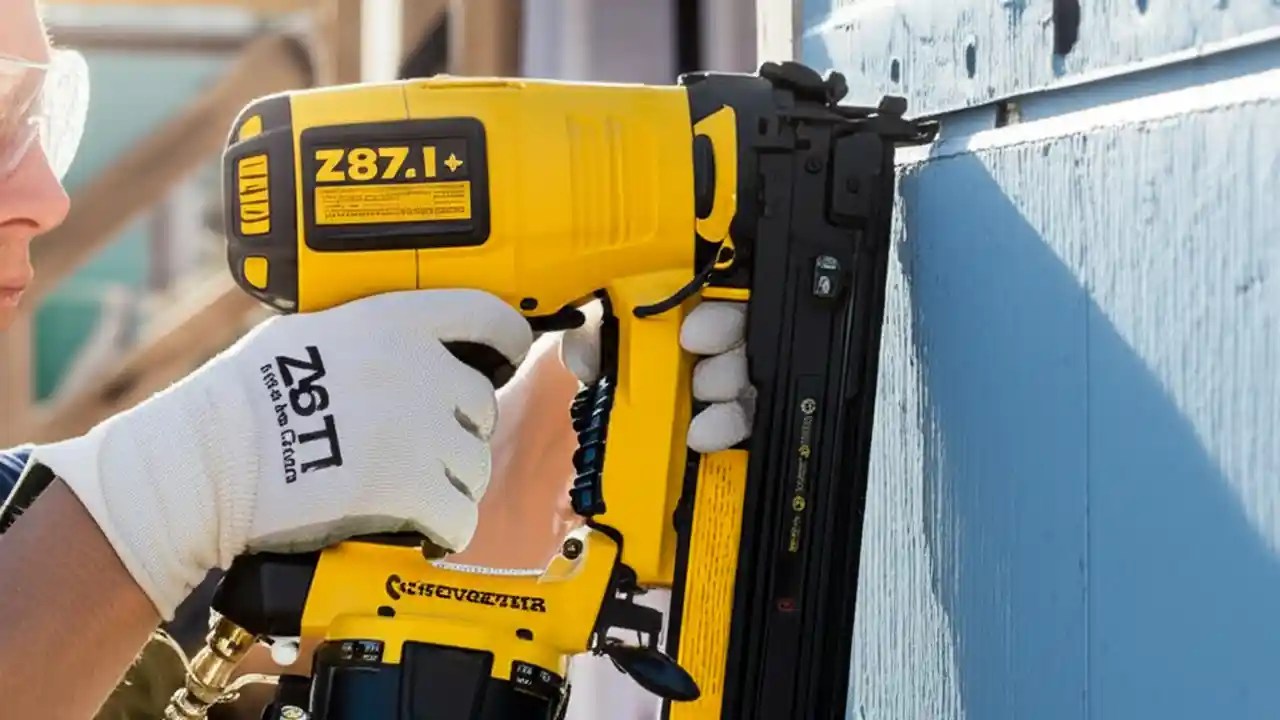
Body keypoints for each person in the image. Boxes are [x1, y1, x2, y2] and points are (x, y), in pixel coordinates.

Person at [0, 4, 755, 718]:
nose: (48, 196)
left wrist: (596, 397)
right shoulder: (71, 542)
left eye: (40, 120)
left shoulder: (28, 526)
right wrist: (173, 488)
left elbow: (436, 582)